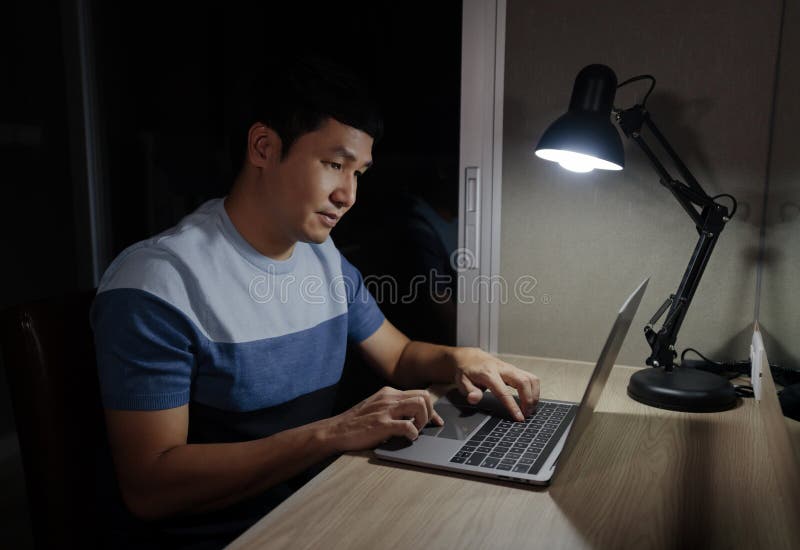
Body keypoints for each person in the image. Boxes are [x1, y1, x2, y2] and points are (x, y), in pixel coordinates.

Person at [91, 56, 540, 548]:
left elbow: (398, 355)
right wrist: (332, 433)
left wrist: (461, 358)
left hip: (318, 507)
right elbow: (149, 487)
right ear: (264, 147)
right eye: (333, 164)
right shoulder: (157, 283)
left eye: (359, 173)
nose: (348, 194)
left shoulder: (322, 256)